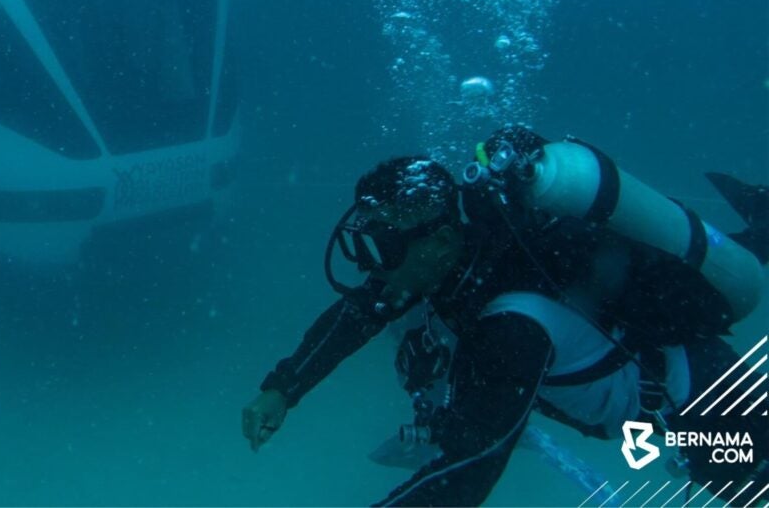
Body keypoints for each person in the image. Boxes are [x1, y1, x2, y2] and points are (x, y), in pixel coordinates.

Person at [242, 126, 768, 506]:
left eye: (384, 249)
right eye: (367, 245)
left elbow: (469, 473)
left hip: (707, 403)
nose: (372, 269)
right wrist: (283, 387)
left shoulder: (509, 326)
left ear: (442, 240)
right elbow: (360, 314)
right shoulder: (447, 259)